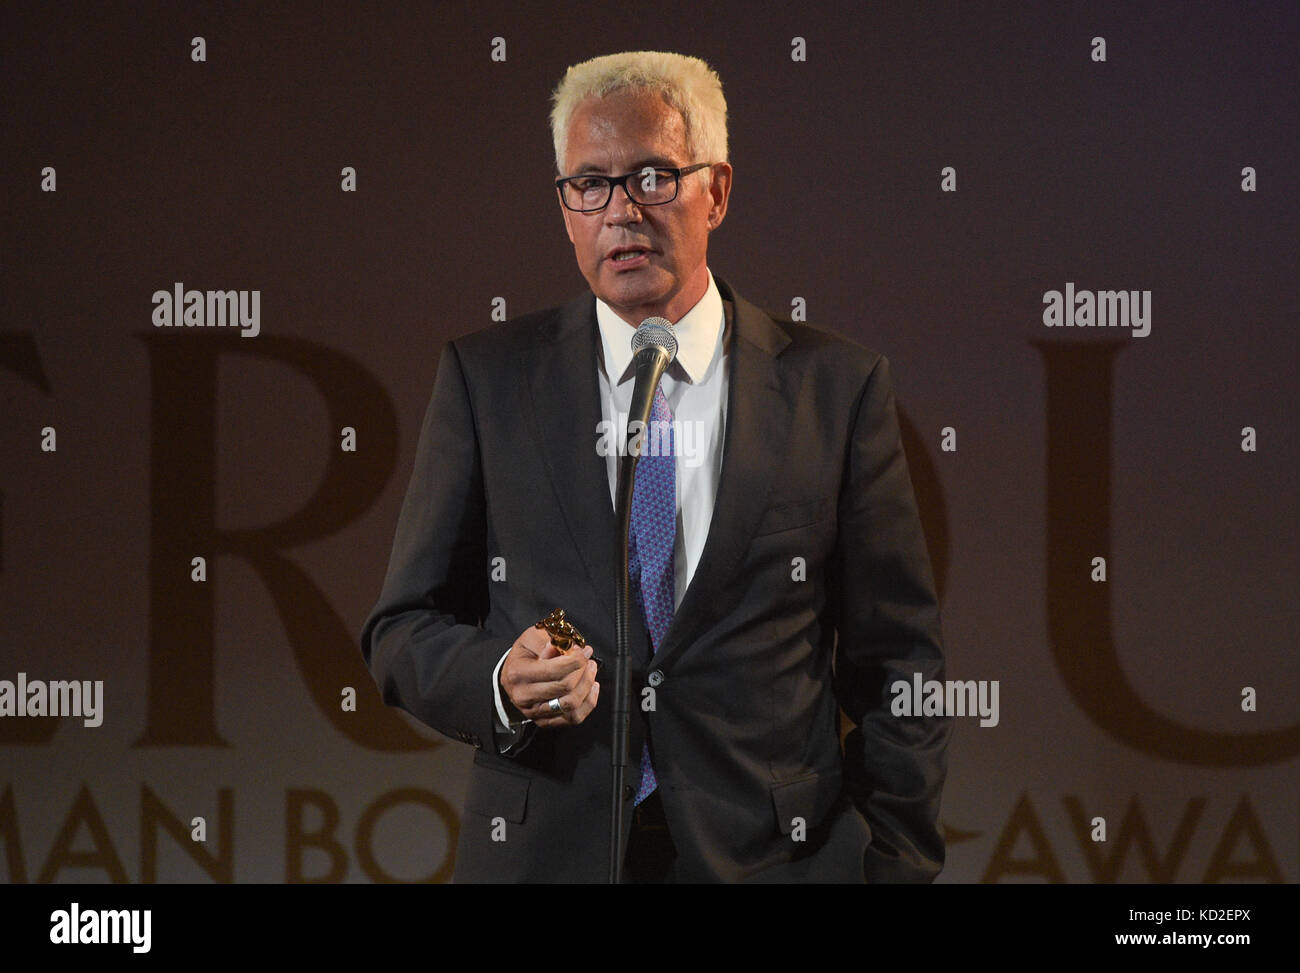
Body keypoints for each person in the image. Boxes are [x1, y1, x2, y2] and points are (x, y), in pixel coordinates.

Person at [360, 50, 950, 883]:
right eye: (589, 185)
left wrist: (896, 868)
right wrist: (498, 677)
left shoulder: (836, 386)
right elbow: (401, 628)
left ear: (719, 190)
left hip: (775, 861)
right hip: (546, 858)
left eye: (652, 177)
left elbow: (899, 665)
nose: (619, 212)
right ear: (565, 210)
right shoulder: (489, 380)